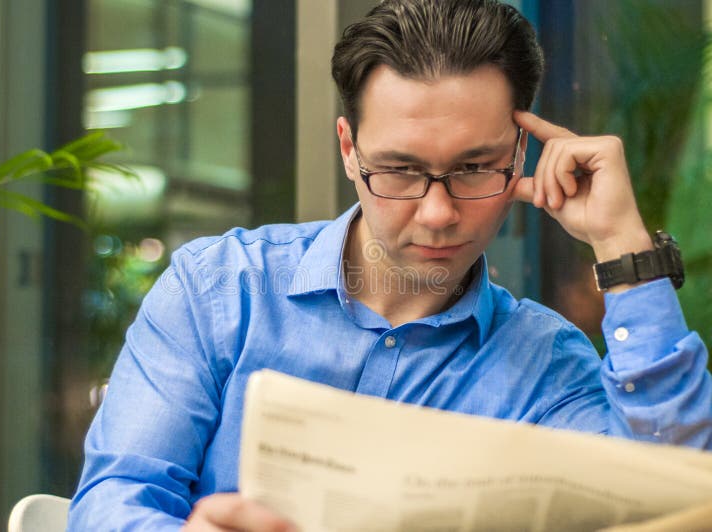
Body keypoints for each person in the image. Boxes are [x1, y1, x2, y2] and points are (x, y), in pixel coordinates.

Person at [67, 0, 712, 530]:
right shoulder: (219, 292)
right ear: (349, 149)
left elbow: (679, 496)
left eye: (472, 168)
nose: (437, 213)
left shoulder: (546, 368)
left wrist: (625, 246)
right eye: (401, 170)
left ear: (520, 154)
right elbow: (113, 497)